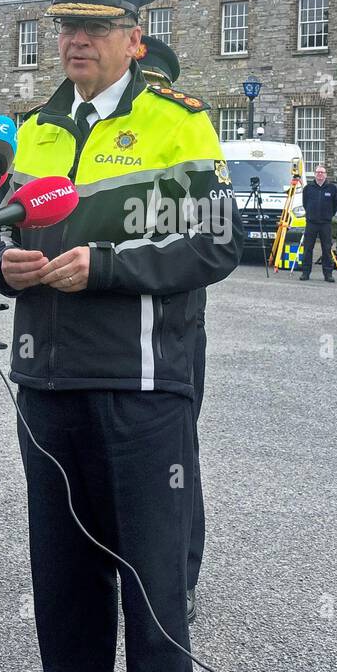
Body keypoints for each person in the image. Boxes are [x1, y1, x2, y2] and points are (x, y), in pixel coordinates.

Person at [0, 0, 243, 672]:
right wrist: (4, 270)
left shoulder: (177, 122)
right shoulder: (28, 129)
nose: (77, 39)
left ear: (135, 38)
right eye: (68, 25)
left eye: (97, 27)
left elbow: (216, 243)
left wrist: (106, 267)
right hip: (45, 388)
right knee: (65, 595)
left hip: (140, 391)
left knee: (154, 599)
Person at [135, 34, 204, 624]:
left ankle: (180, 564)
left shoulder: (178, 131)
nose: (151, 94)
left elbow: (205, 238)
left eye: (158, 86)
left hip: (176, 317)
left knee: (179, 444)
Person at [299, 164, 337, 282]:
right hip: (311, 223)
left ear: (325, 174)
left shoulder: (332, 188)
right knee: (307, 249)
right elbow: (305, 203)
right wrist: (311, 215)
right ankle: (305, 273)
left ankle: (328, 274)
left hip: (325, 224)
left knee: (326, 249)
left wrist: (328, 216)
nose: (320, 174)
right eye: (318, 172)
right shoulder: (308, 188)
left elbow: (336, 205)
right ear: (315, 174)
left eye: (322, 172)